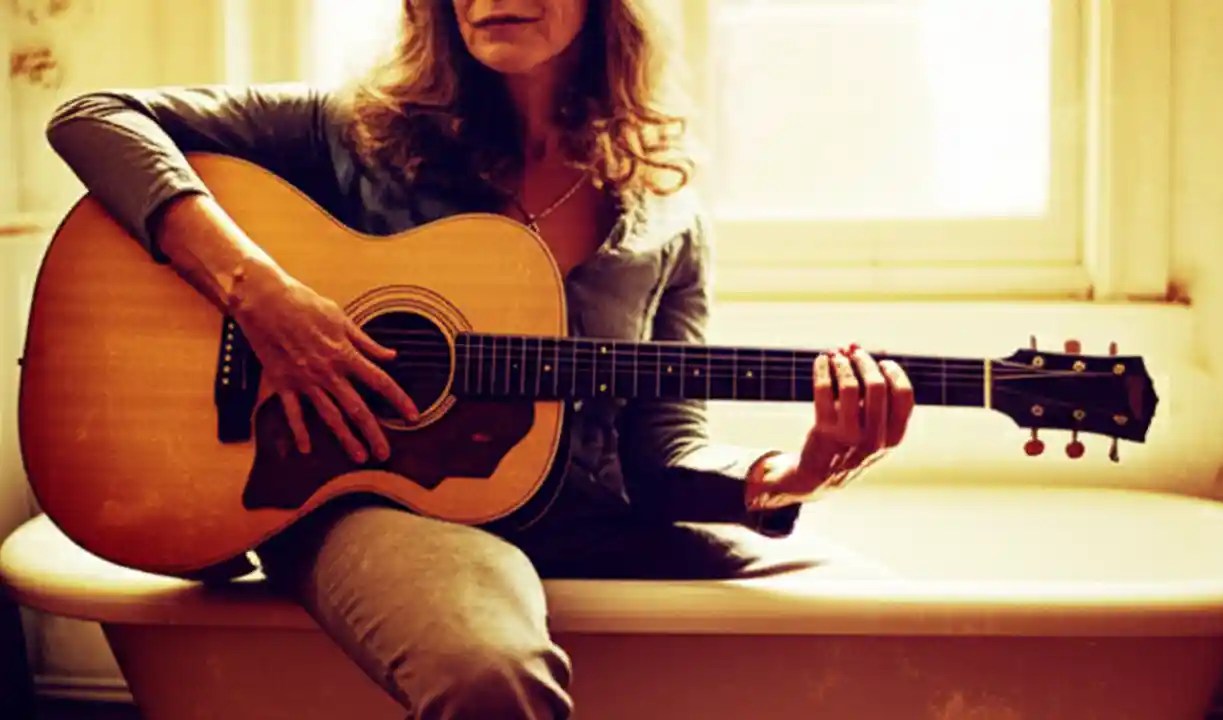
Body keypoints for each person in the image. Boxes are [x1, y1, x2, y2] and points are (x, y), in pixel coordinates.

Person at [46, 0, 915, 717]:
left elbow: (661, 456)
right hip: (384, 508)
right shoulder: (353, 131)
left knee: (892, 624)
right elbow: (94, 119)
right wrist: (261, 296)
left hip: (583, 521)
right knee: (485, 669)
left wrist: (792, 472)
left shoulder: (662, 209)